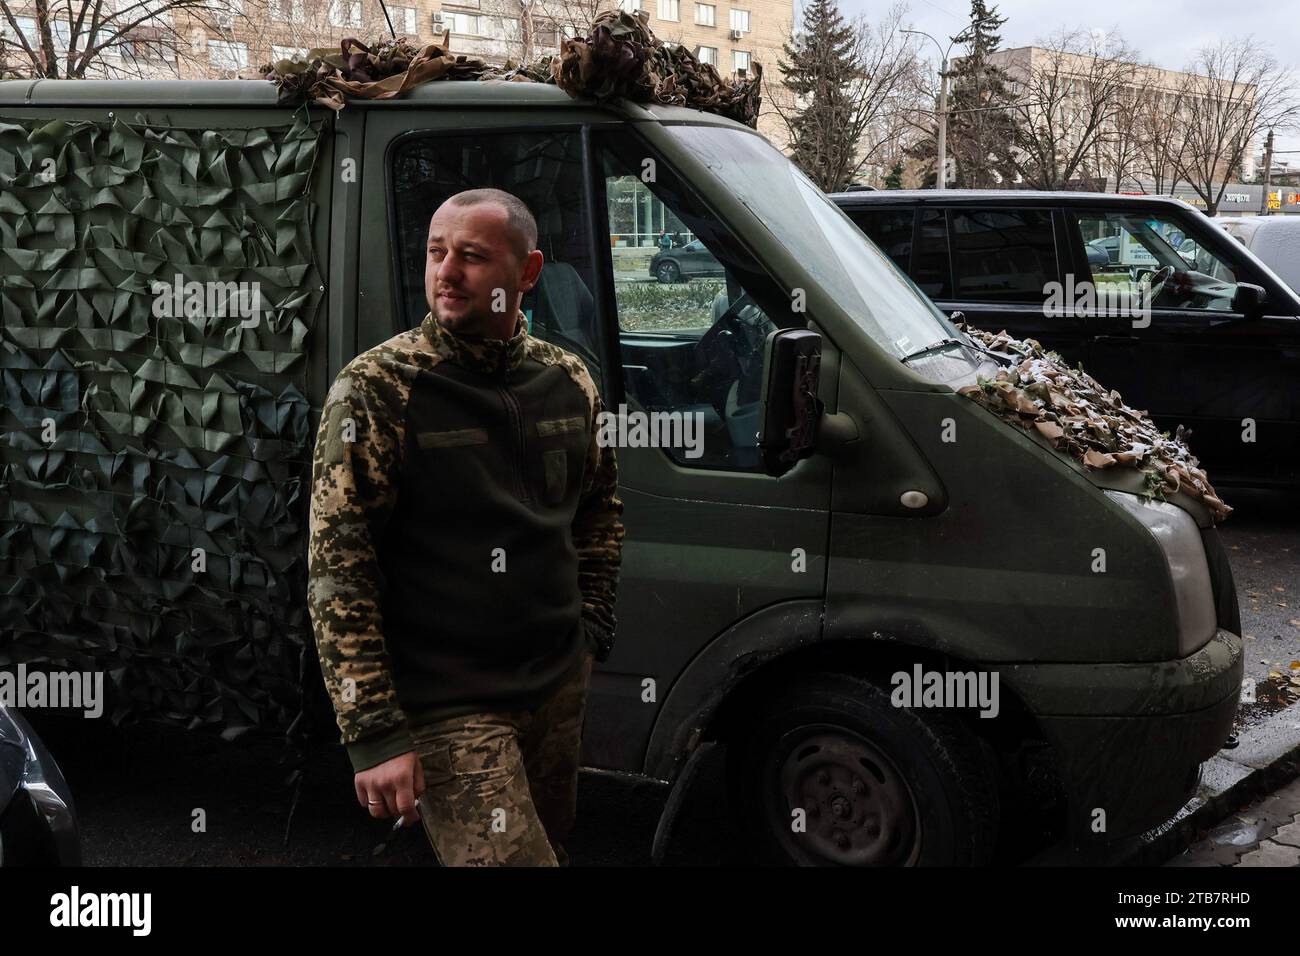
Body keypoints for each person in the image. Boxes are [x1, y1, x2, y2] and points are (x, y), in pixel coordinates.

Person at [307, 187, 624, 866]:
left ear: (527, 271)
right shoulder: (378, 389)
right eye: (435, 252)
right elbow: (339, 570)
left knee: (550, 841)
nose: (445, 273)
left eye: (472, 257)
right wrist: (375, 733)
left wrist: (587, 632)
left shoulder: (568, 381)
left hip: (553, 688)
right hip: (448, 700)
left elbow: (599, 513)